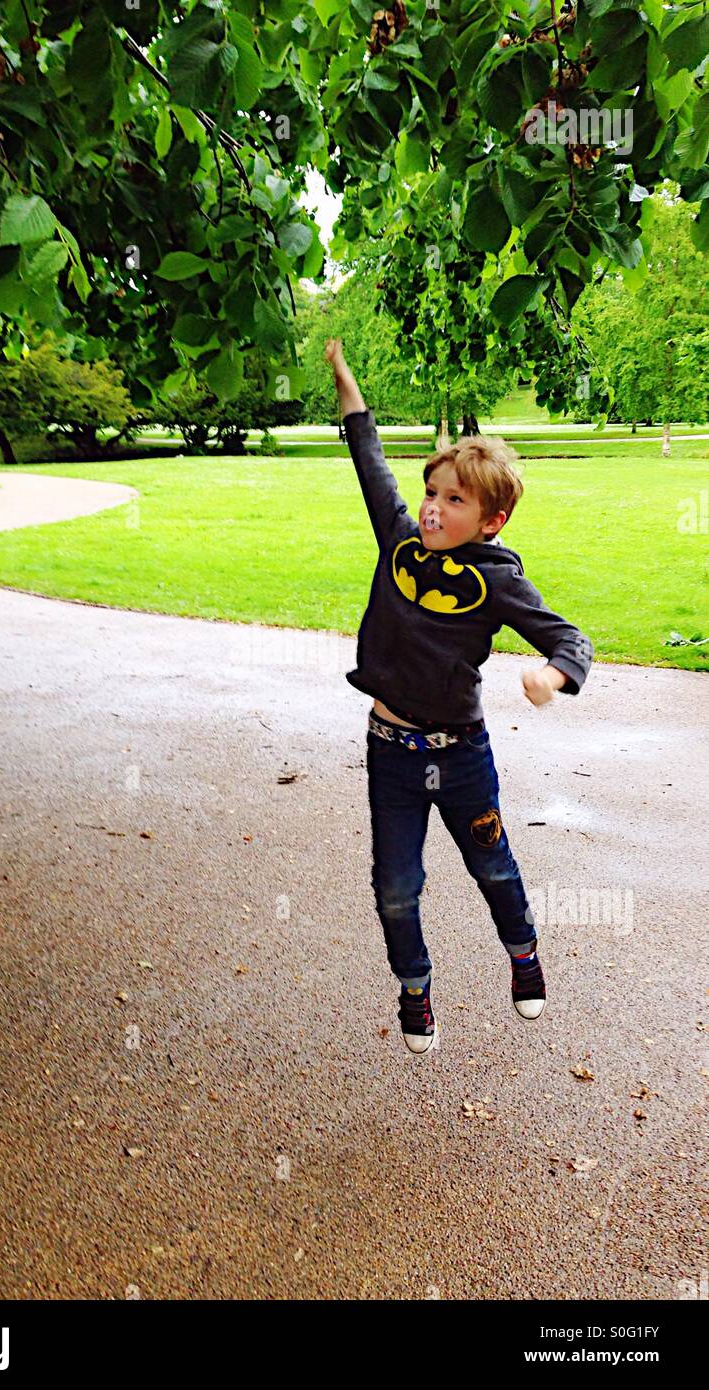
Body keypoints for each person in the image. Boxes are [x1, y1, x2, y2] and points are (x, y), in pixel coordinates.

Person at [324, 338, 594, 1054]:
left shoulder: (496, 580)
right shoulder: (400, 542)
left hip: (461, 757)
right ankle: (414, 989)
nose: (433, 509)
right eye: (431, 494)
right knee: (395, 885)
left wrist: (551, 676)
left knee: (492, 865)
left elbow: (569, 640)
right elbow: (369, 461)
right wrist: (348, 387)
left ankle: (522, 950)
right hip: (390, 753)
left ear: (490, 519)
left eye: (453, 500)